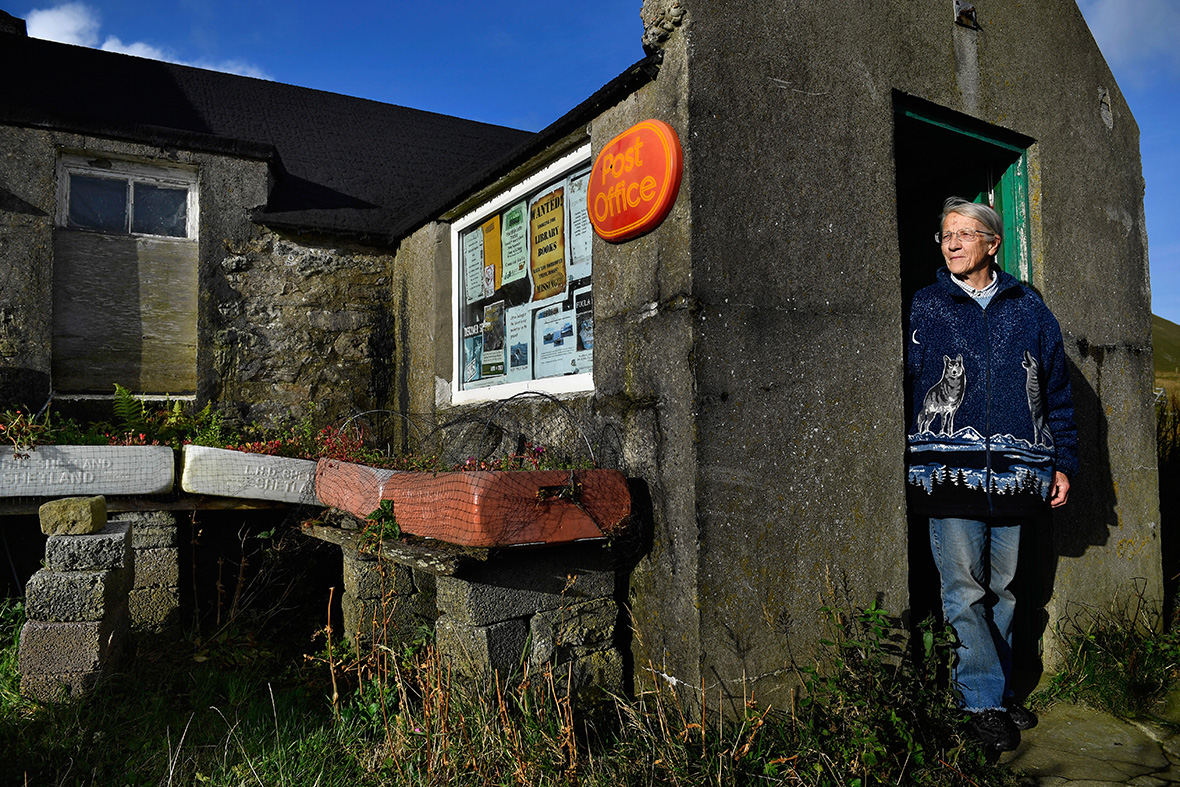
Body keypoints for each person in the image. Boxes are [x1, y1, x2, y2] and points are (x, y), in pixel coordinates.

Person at [905, 197, 1078, 753]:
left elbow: (1057, 393)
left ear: (992, 243)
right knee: (963, 591)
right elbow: (904, 387)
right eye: (944, 235)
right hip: (949, 474)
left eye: (963, 233)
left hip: (1016, 476)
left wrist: (1063, 463)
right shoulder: (926, 305)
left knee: (1003, 590)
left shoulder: (1028, 307)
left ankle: (996, 694)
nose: (951, 243)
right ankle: (981, 701)